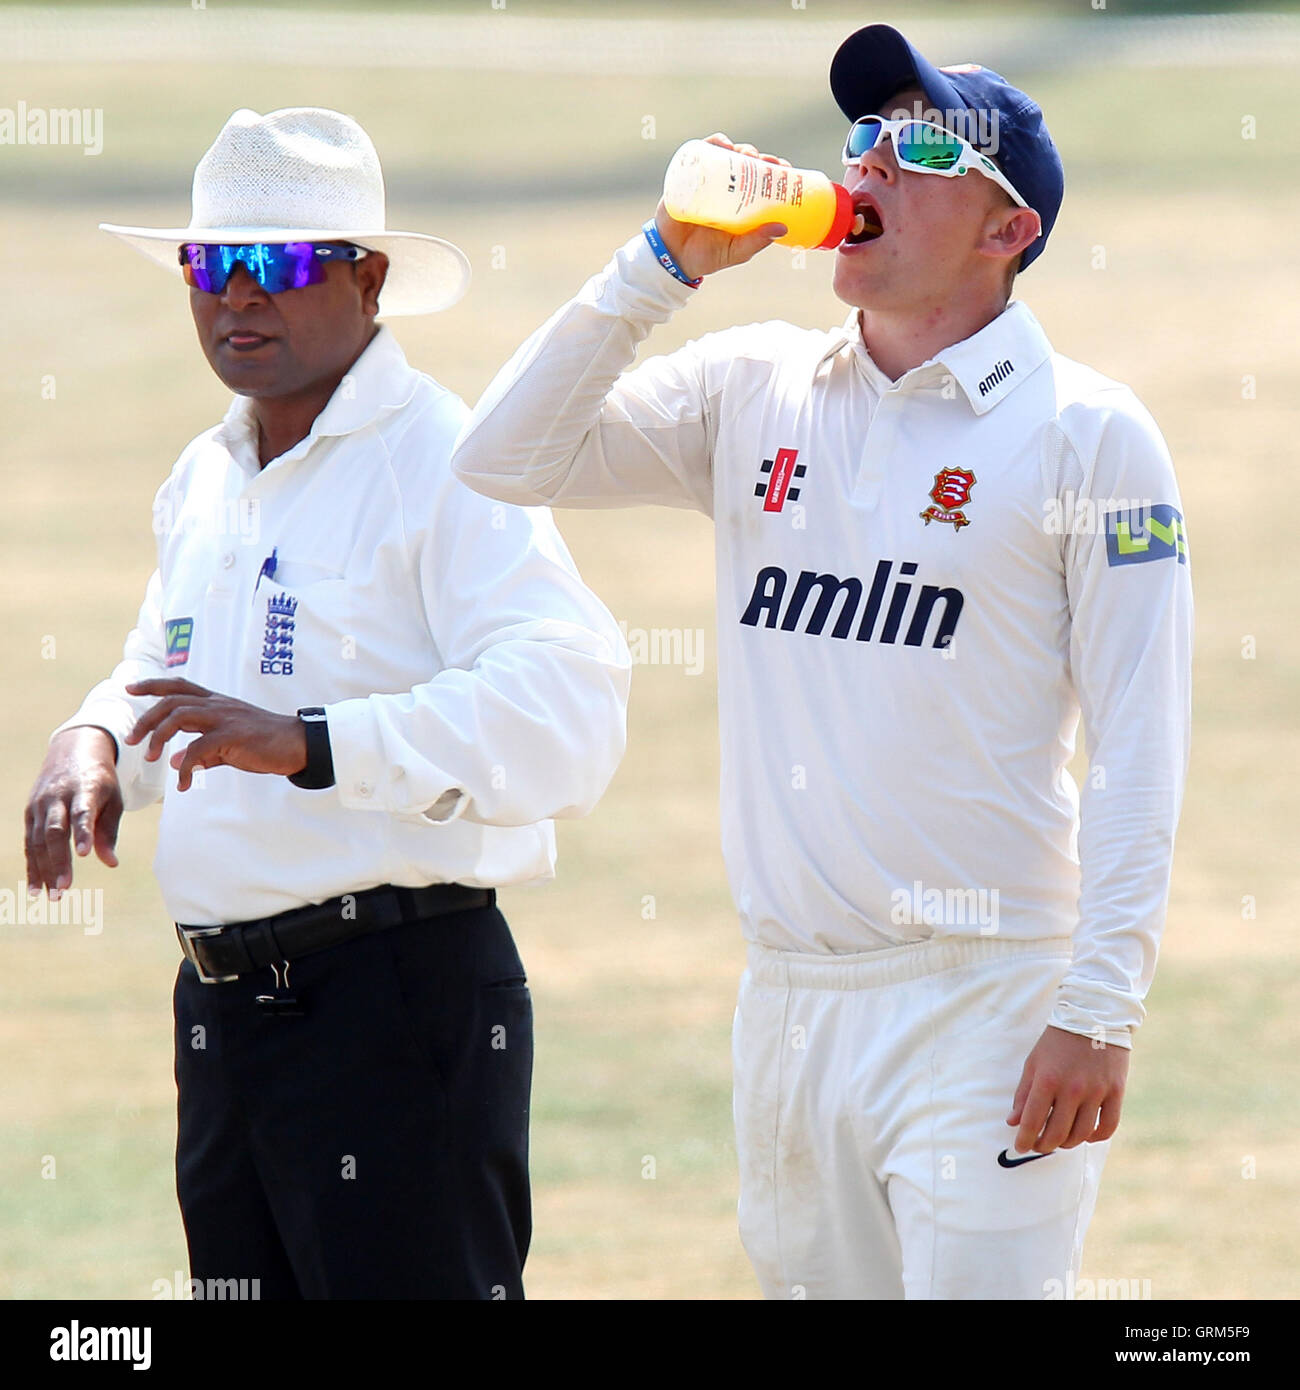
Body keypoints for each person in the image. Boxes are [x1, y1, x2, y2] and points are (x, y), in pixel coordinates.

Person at [451, 24, 1192, 1300]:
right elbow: (502, 458)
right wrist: (661, 265)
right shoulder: (753, 389)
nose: (867, 167)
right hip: (788, 1002)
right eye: (861, 138)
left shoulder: (1090, 434)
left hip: (988, 998)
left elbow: (1141, 740)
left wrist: (1099, 1007)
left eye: (915, 145)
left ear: (1007, 231)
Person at [23, 106, 630, 1300]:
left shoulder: (454, 459)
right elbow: (162, 671)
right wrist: (91, 736)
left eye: (278, 264)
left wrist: (313, 744)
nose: (236, 296)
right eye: (211, 264)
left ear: (371, 279)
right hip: (225, 1017)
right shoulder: (205, 474)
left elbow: (571, 705)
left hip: (395, 1008)